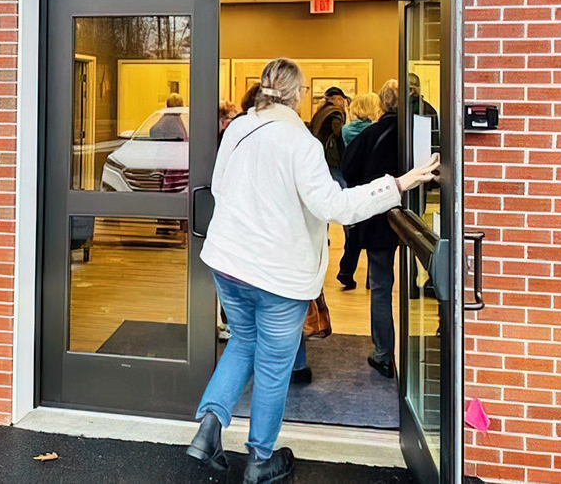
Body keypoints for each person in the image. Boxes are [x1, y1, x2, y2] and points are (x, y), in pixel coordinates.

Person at [186, 60, 439, 483]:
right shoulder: (301, 143)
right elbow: (336, 207)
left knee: (243, 342)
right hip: (278, 276)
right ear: (297, 94)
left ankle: (208, 429)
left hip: (227, 263)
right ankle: (260, 459)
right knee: (273, 367)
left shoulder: (237, 129)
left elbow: (223, 187)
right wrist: (398, 184)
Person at [340, 79, 406, 380]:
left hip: (380, 219)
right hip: (415, 218)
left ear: (382, 103)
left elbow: (349, 169)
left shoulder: (372, 133)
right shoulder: (415, 131)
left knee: (381, 287)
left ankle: (383, 354)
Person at [337, 92, 383, 290]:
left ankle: (346, 270)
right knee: (373, 232)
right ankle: (371, 277)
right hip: (372, 182)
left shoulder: (346, 131)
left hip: (352, 183)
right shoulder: (374, 131)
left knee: (353, 233)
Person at [309, 86, 350, 185]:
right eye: (341, 99)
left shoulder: (322, 111)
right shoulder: (336, 112)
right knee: (340, 183)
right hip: (332, 154)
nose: (343, 103)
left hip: (320, 151)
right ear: (334, 99)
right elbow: (338, 132)